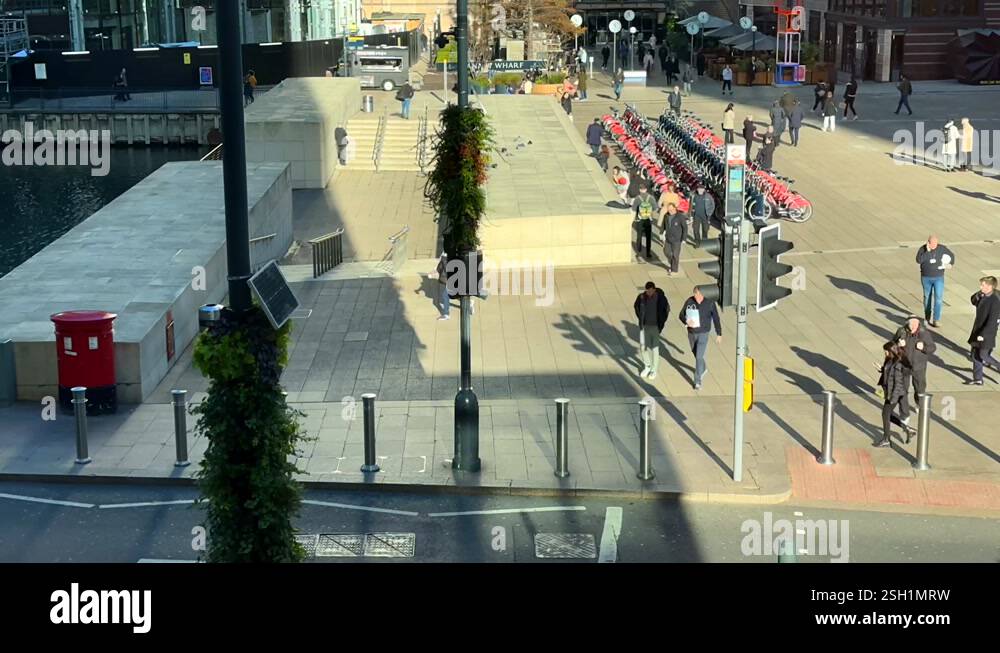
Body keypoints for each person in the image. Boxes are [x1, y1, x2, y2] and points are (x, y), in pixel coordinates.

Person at [873, 343, 916, 447]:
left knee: (885, 414)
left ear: (891, 351)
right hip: (892, 393)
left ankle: (886, 439)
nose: (885, 353)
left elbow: (898, 383)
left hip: (895, 394)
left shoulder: (898, 364)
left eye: (886, 351)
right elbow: (890, 374)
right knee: (889, 415)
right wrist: (882, 369)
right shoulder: (891, 360)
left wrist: (893, 398)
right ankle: (908, 429)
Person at [679, 287, 722, 389]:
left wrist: (719, 333)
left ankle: (697, 381)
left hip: (703, 332)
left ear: (702, 294)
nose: (697, 297)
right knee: (695, 353)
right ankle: (703, 367)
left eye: (699, 295)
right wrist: (686, 321)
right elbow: (681, 315)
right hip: (691, 333)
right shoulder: (689, 301)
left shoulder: (709, 303)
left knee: (698, 357)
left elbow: (716, 318)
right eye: (695, 295)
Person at [893, 316, 936, 405]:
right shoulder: (901, 331)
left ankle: (919, 405)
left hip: (918, 366)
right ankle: (904, 408)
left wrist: (923, 348)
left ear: (918, 324)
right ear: (907, 324)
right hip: (904, 365)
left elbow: (932, 348)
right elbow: (891, 346)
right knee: (903, 388)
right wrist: (898, 345)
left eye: (915, 323)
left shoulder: (924, 333)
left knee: (919, 388)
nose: (913, 326)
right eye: (911, 323)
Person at [966, 276, 1000, 385]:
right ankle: (978, 379)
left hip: (986, 333)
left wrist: (983, 334)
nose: (981, 287)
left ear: (990, 286)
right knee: (975, 355)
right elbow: (973, 300)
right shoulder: (982, 295)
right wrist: (978, 295)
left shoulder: (995, 301)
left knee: (983, 355)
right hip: (978, 330)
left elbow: (992, 320)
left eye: (983, 285)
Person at [915, 235, 955, 327]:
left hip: (938, 277)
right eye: (932, 244)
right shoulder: (923, 249)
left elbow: (951, 256)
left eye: (935, 243)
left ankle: (936, 319)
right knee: (927, 297)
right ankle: (927, 317)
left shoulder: (942, 248)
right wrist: (927, 252)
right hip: (926, 277)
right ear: (928, 243)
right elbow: (919, 260)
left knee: (938, 298)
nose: (934, 245)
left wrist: (950, 264)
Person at [634, 281, 670, 380]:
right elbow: (636, 307)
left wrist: (661, 323)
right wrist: (641, 318)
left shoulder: (661, 298)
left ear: (654, 290)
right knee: (643, 347)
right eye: (647, 291)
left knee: (655, 349)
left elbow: (666, 310)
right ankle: (647, 366)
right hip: (644, 326)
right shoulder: (641, 297)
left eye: (650, 291)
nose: (649, 293)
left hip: (655, 327)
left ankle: (654, 370)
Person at [632, 182, 660, 259]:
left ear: (640, 190)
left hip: (640, 219)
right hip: (648, 219)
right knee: (648, 236)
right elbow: (655, 208)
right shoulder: (651, 198)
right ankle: (648, 253)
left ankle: (639, 251)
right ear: (646, 189)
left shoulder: (637, 198)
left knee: (639, 236)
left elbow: (633, 209)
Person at [661, 202, 687, 275]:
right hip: (668, 238)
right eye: (669, 210)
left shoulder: (680, 217)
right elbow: (663, 225)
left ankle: (674, 270)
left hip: (677, 239)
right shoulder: (666, 216)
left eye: (671, 210)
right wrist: (661, 233)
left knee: (675, 255)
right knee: (666, 252)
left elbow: (685, 228)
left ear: (675, 208)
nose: (670, 211)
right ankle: (672, 263)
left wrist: (684, 239)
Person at [430, 253, 452, 320]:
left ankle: (446, 314)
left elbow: (439, 269)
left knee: (445, 295)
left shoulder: (444, 259)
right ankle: (470, 303)